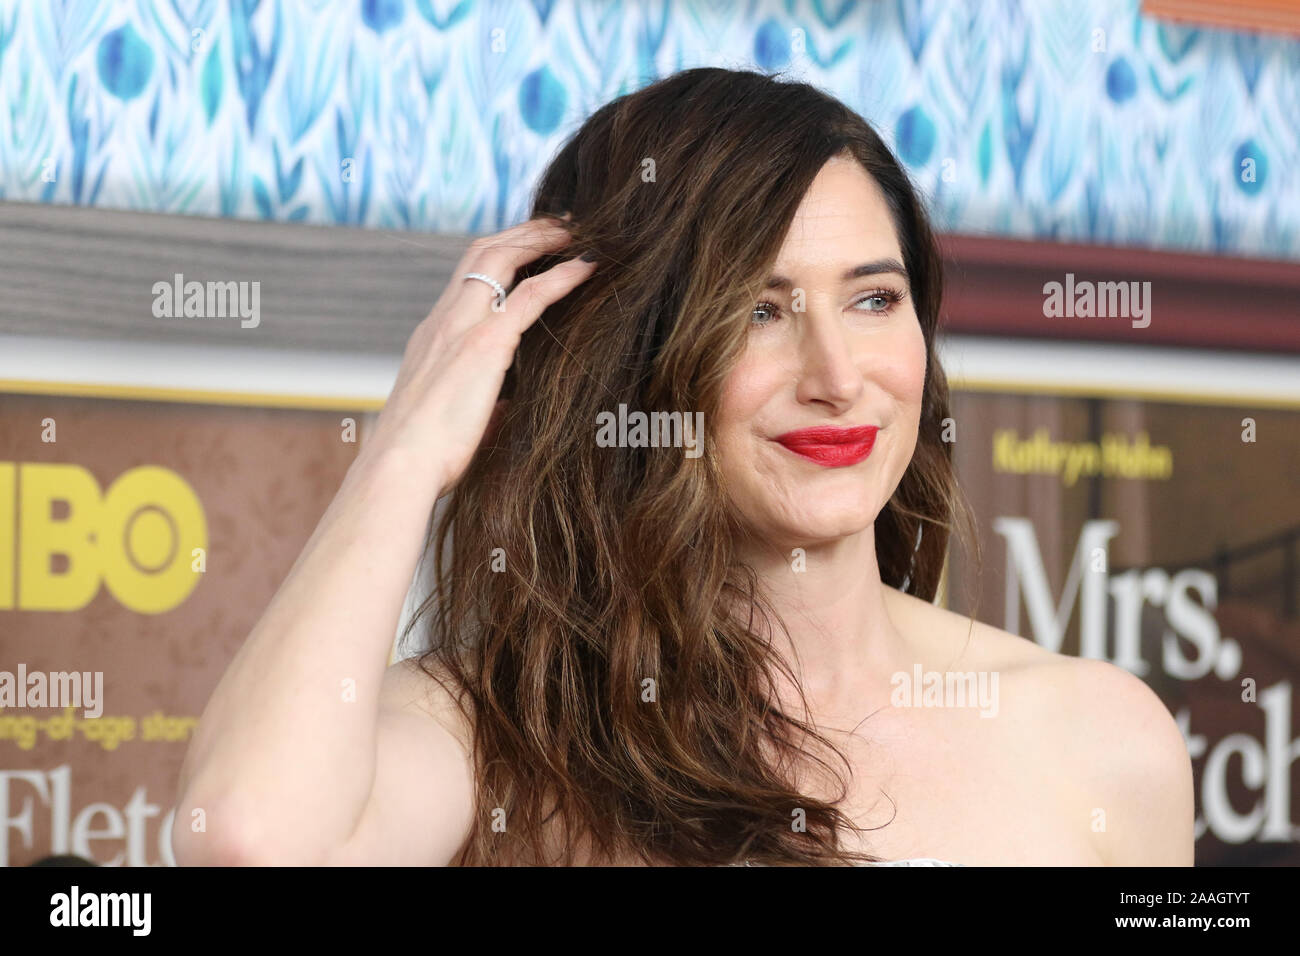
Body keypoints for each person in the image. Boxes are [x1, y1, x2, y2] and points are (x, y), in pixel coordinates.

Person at [172, 67, 1194, 867]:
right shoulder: (492, 734)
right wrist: (402, 449)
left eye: (874, 299)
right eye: (757, 310)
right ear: (628, 356)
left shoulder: (1103, 737)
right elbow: (250, 840)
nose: (838, 377)